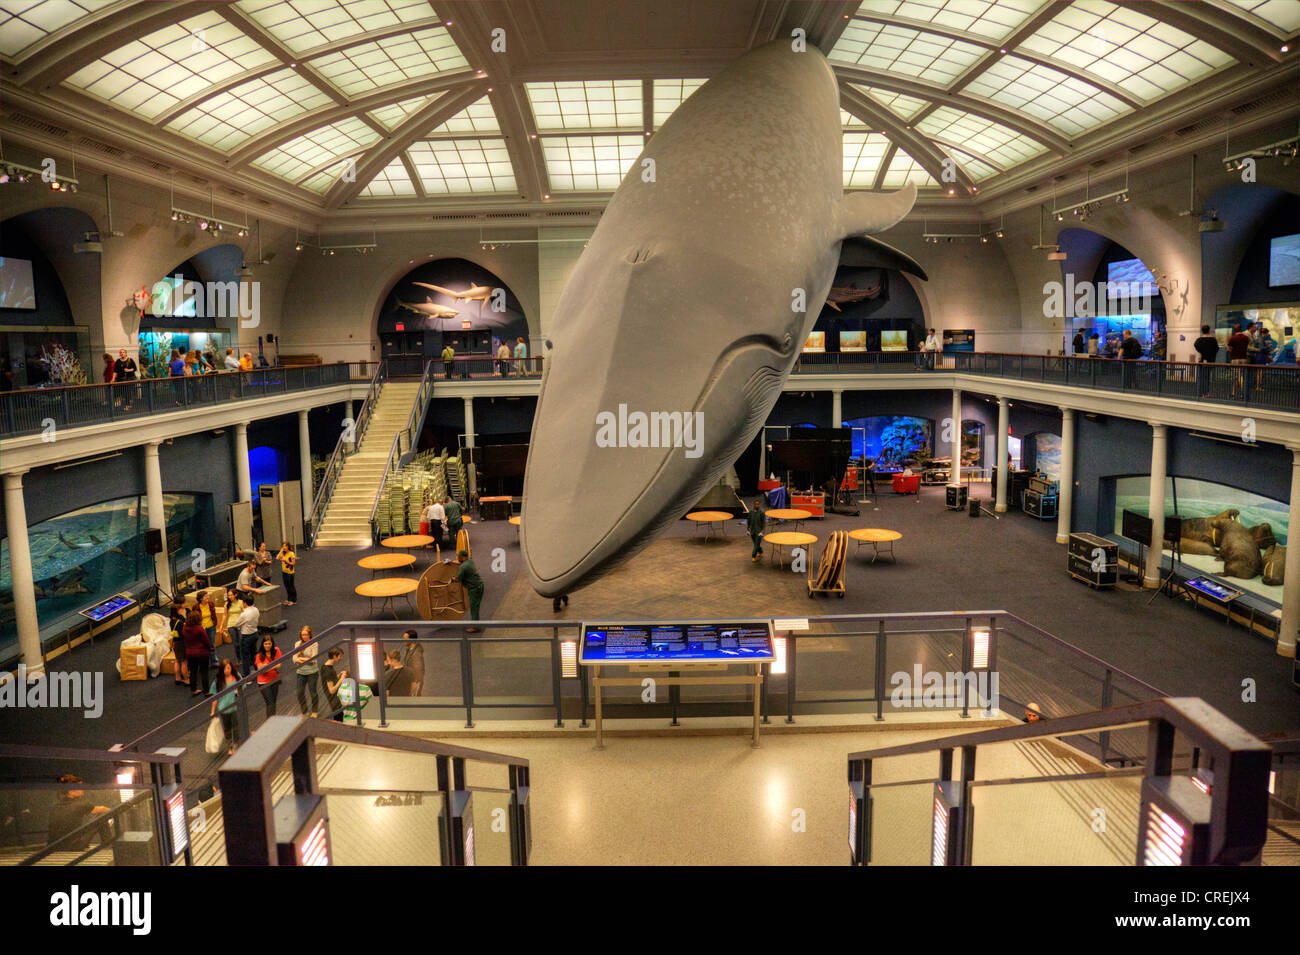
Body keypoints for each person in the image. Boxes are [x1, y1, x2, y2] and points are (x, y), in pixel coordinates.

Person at [47, 776, 110, 849]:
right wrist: (113, 811)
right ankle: (108, 846)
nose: (83, 789)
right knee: (101, 816)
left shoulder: (55, 806)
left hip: (54, 847)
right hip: (73, 846)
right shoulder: (81, 804)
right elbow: (103, 809)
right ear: (71, 791)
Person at [209, 658, 240, 755]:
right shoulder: (218, 682)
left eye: (228, 668)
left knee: (235, 727)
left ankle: (235, 745)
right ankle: (231, 745)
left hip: (234, 707)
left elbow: (242, 687)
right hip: (223, 709)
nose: (227, 671)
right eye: (225, 669)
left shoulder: (236, 677)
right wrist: (213, 711)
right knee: (227, 729)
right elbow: (215, 697)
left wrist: (237, 692)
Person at [182, 608, 213, 698]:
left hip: (190, 653)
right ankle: (206, 691)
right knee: (204, 672)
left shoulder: (184, 629)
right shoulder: (199, 629)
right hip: (202, 652)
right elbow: (206, 640)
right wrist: (209, 648)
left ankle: (194, 689)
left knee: (193, 671)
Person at [292, 626, 320, 716]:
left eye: (306, 635)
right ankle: (304, 711)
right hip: (300, 672)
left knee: (313, 692)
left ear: (309, 635)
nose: (304, 636)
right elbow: (294, 658)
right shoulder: (297, 644)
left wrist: (300, 659)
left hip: (312, 672)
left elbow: (313, 660)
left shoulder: (314, 644)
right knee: (299, 693)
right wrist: (306, 659)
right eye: (302, 634)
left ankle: (315, 711)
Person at [254, 634, 283, 718]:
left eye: (269, 643)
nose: (267, 646)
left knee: (273, 702)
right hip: (263, 682)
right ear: (263, 644)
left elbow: (279, 665)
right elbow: (261, 670)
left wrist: (267, 666)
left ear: (272, 644)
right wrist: (273, 665)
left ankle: (272, 720)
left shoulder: (276, 650)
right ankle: (270, 722)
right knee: (270, 702)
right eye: (266, 644)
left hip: (274, 680)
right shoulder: (259, 656)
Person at [233, 594, 261, 678]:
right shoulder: (256, 610)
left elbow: (236, 624)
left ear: (244, 603)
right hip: (255, 634)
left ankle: (246, 674)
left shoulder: (244, 614)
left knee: (245, 656)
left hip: (246, 636)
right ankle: (257, 669)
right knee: (254, 654)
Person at [456, 549, 484, 631]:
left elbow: (458, 579)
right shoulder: (470, 562)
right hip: (480, 585)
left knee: (474, 607)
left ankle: (475, 627)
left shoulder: (463, 567)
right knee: (476, 606)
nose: (457, 558)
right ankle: (476, 624)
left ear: (462, 557)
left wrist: (453, 579)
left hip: (474, 589)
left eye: (458, 557)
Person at [321, 648, 346, 721]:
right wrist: (341, 679)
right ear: (335, 656)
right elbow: (331, 690)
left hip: (335, 699)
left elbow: (330, 679)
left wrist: (338, 676)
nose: (340, 658)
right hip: (334, 700)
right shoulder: (328, 671)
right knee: (339, 716)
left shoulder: (326, 666)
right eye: (340, 656)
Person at [1194, 325, 1219, 397]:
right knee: (1207, 377)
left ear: (1202, 331)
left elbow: (1196, 346)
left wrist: (1202, 352)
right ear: (1209, 331)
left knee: (1202, 377)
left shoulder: (1199, 340)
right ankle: (1207, 392)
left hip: (1202, 361)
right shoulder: (1213, 340)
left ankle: (1202, 393)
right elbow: (1216, 349)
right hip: (1210, 361)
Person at [401, 629, 425, 695]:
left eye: (405, 639)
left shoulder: (416, 654)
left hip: (414, 682)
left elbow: (418, 672)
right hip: (411, 680)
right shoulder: (410, 650)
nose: (403, 640)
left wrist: (416, 685)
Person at [276, 541, 297, 605]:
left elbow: (293, 563)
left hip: (290, 573)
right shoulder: (283, 553)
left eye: (285, 546)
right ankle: (289, 599)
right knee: (286, 586)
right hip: (284, 572)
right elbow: (277, 558)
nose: (284, 547)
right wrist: (281, 551)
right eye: (283, 546)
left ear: (288, 547)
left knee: (291, 586)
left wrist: (286, 561)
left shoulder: (291, 553)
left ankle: (293, 600)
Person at [746, 498, 767, 562]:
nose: (757, 505)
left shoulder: (761, 512)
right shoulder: (751, 512)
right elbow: (748, 521)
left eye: (758, 504)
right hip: (752, 531)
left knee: (756, 544)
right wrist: (748, 529)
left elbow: (764, 522)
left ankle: (753, 556)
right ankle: (760, 551)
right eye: (756, 504)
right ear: (754, 505)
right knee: (756, 543)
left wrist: (763, 531)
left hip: (759, 532)